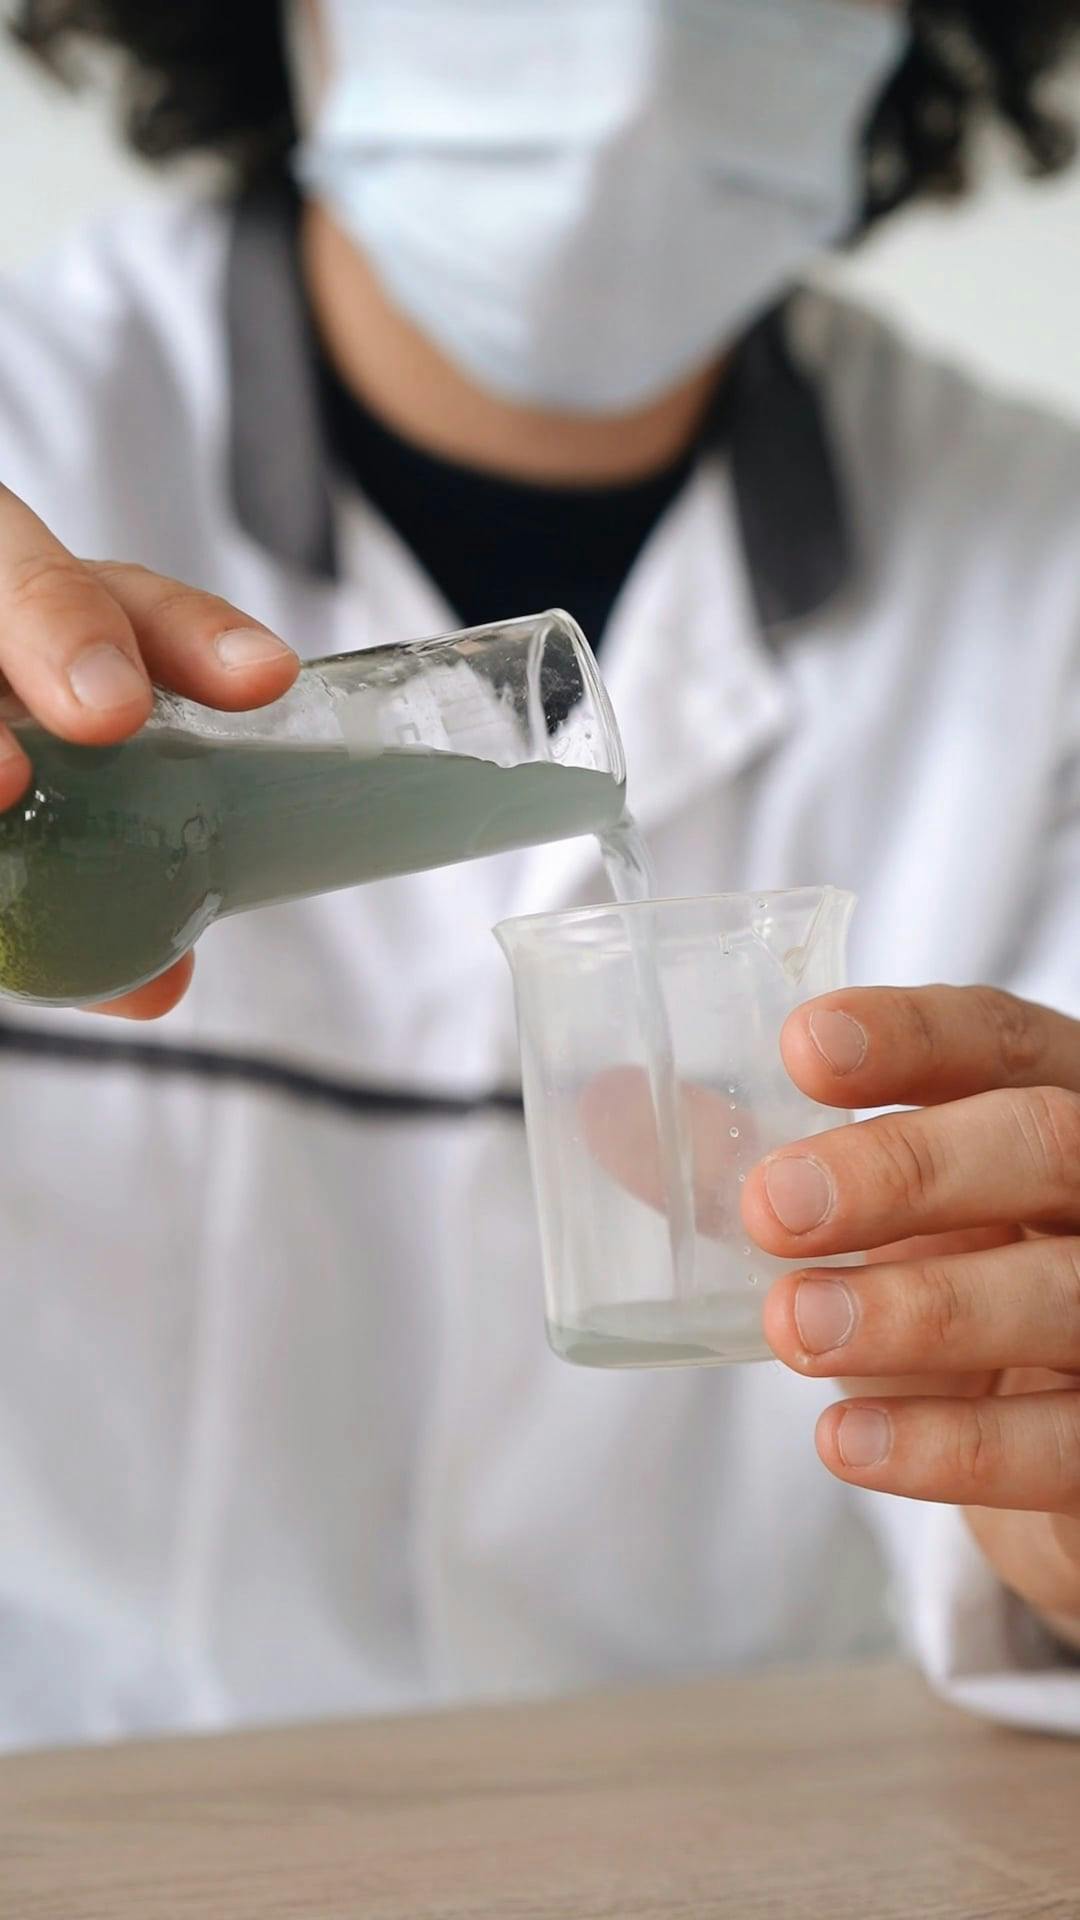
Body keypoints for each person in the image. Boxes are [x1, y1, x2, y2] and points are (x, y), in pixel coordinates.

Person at [1, 0, 1079, 1751]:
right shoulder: (29, 430)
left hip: (712, 1839)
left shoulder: (1041, 595)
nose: (638, 42)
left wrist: (1052, 1536)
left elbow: (1026, 1392)